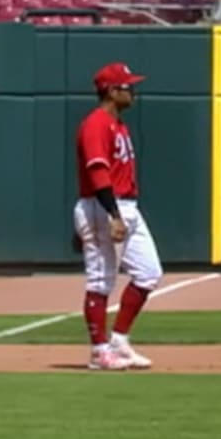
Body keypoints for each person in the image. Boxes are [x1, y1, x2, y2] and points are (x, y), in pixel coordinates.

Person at [74, 63, 158, 371]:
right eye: (127, 86)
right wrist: (111, 215)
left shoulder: (118, 125)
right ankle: (99, 351)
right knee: (100, 281)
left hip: (126, 206)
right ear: (112, 91)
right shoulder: (96, 124)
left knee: (149, 272)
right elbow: (97, 173)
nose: (132, 90)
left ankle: (119, 341)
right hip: (106, 206)